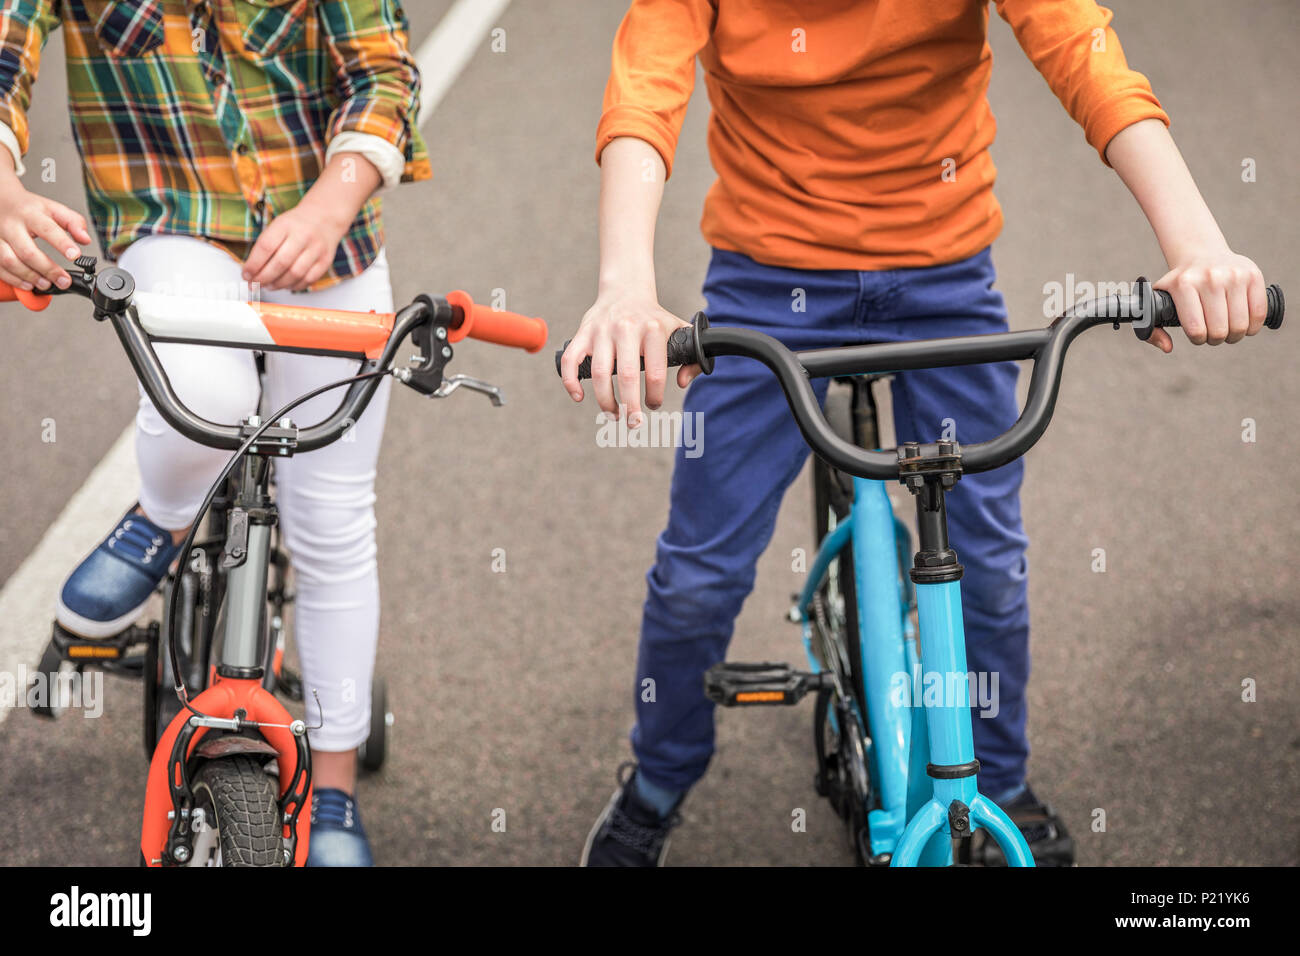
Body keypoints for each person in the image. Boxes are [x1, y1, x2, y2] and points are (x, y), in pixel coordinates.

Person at [560, 0, 1269, 866]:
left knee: (992, 563)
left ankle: (996, 781)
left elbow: (1085, 54)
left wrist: (1195, 242)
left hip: (944, 271)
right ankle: (658, 783)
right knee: (699, 575)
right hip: (766, 283)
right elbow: (645, 91)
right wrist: (626, 282)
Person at [0, 0, 430, 866]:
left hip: (328, 235)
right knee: (202, 396)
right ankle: (162, 517)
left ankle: (334, 793)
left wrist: (330, 205)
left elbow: (382, 71)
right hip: (169, 218)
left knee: (334, 519)